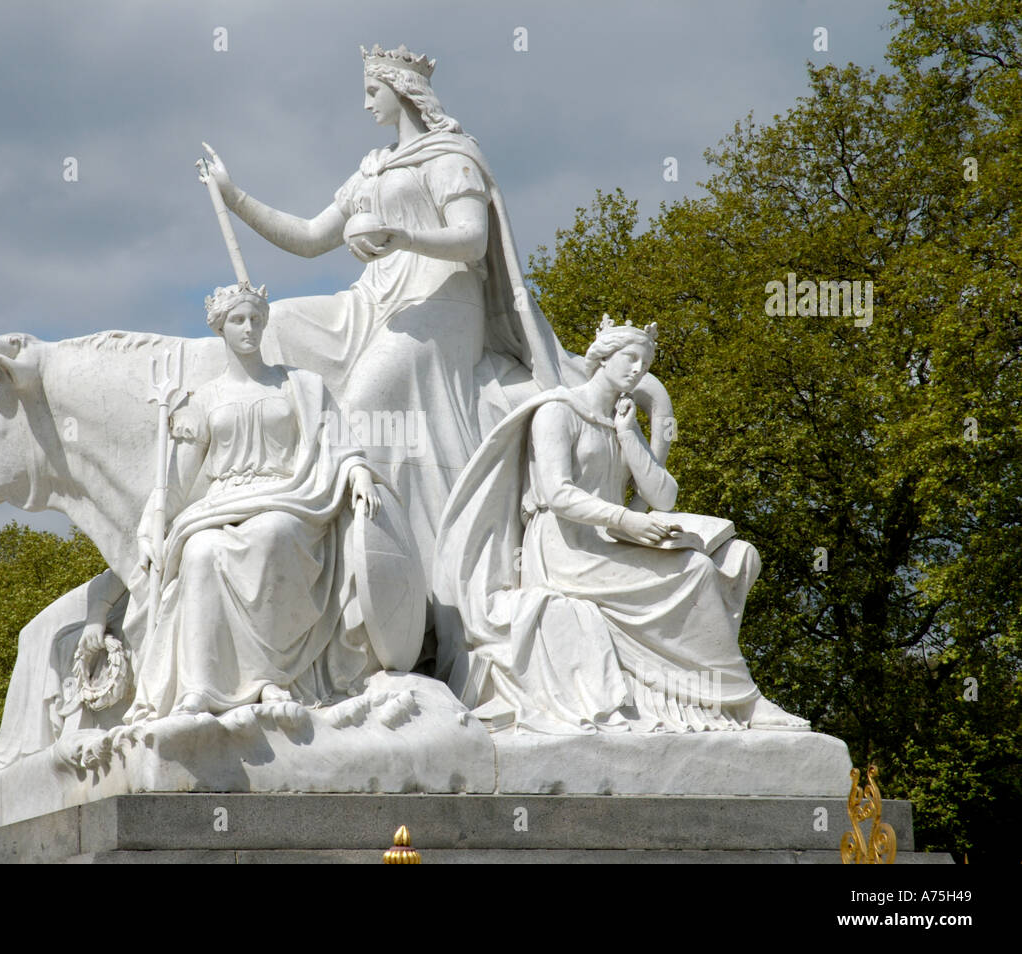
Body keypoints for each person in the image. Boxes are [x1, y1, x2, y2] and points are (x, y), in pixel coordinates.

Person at [196, 44, 585, 589]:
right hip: (372, 299)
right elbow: (310, 239)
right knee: (278, 326)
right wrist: (234, 197)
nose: (364, 104)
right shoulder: (371, 169)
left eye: (371, 92)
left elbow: (473, 240)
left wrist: (402, 237)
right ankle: (276, 502)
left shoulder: (451, 158)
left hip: (442, 299)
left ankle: (393, 568)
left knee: (368, 399)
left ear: (403, 92)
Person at [434, 316, 810, 733]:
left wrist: (629, 435)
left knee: (735, 556)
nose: (637, 371)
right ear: (604, 357)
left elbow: (664, 497)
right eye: (630, 359)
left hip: (609, 541)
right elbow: (557, 493)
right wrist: (625, 519)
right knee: (697, 571)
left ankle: (717, 697)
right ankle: (743, 702)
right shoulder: (558, 411)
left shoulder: (620, 419)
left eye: (645, 365)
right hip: (565, 550)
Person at [124, 281, 392, 721]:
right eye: (238, 320)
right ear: (220, 328)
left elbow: (338, 441)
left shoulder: (300, 385)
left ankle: (269, 678)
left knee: (272, 534)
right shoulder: (204, 399)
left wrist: (357, 471)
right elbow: (175, 480)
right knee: (199, 552)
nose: (249, 328)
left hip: (287, 496)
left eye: (255, 319)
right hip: (223, 502)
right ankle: (200, 686)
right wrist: (151, 523)